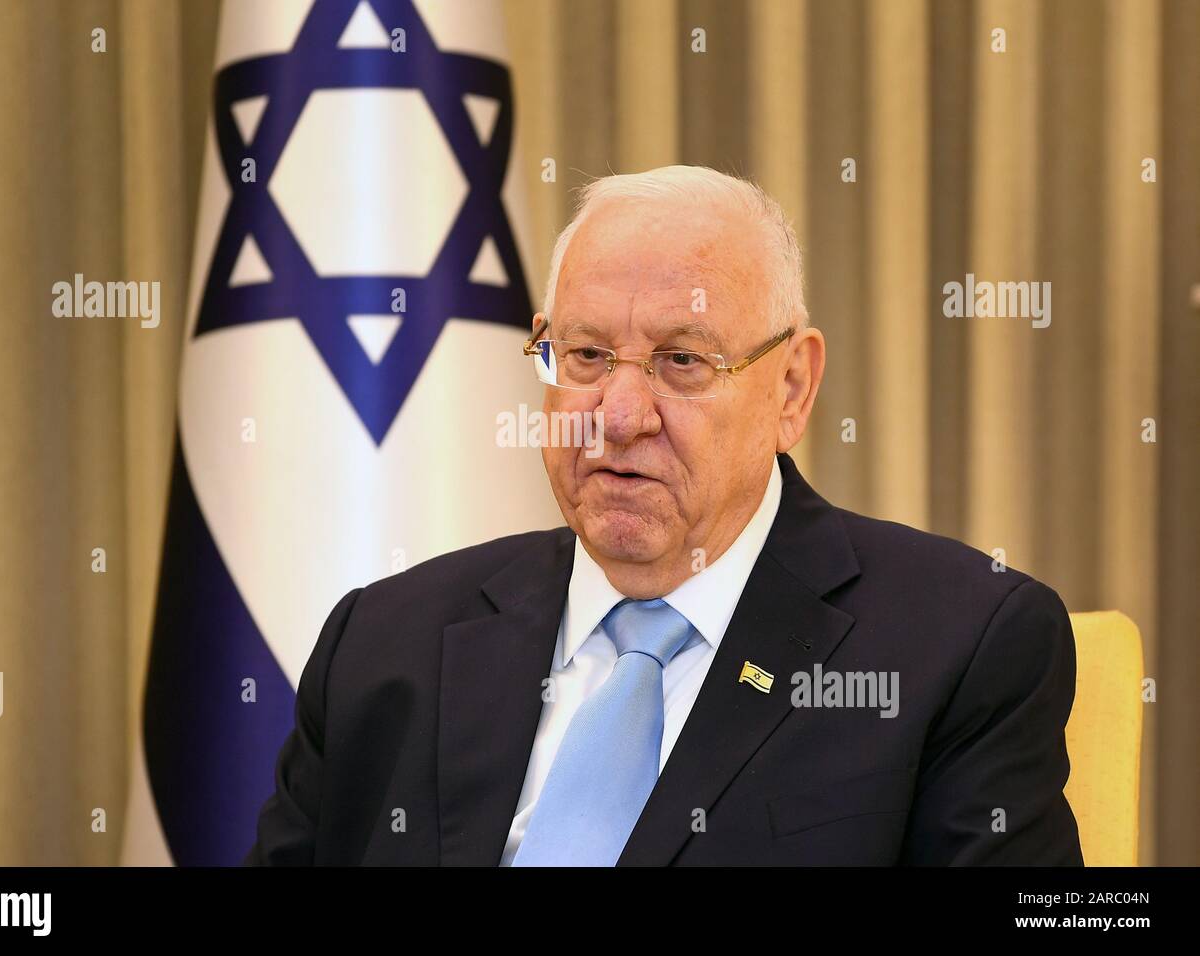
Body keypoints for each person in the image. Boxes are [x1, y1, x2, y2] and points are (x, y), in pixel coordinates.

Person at [245, 165, 1083, 866]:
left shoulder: (960, 646)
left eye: (683, 360)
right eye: (586, 356)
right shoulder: (385, 642)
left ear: (791, 387)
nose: (618, 414)